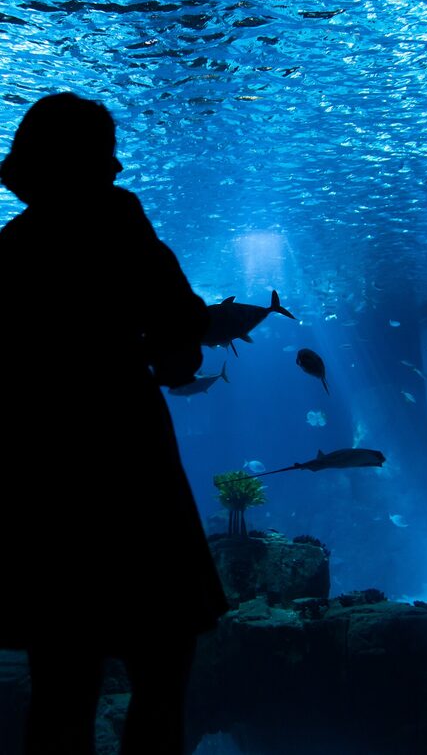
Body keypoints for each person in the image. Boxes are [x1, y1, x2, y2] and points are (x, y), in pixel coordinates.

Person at [0, 92, 228, 754]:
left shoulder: (12, 247)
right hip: (133, 475)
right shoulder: (120, 223)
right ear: (96, 159)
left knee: (59, 686)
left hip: (44, 487)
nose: (119, 166)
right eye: (106, 150)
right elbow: (182, 339)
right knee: (161, 671)